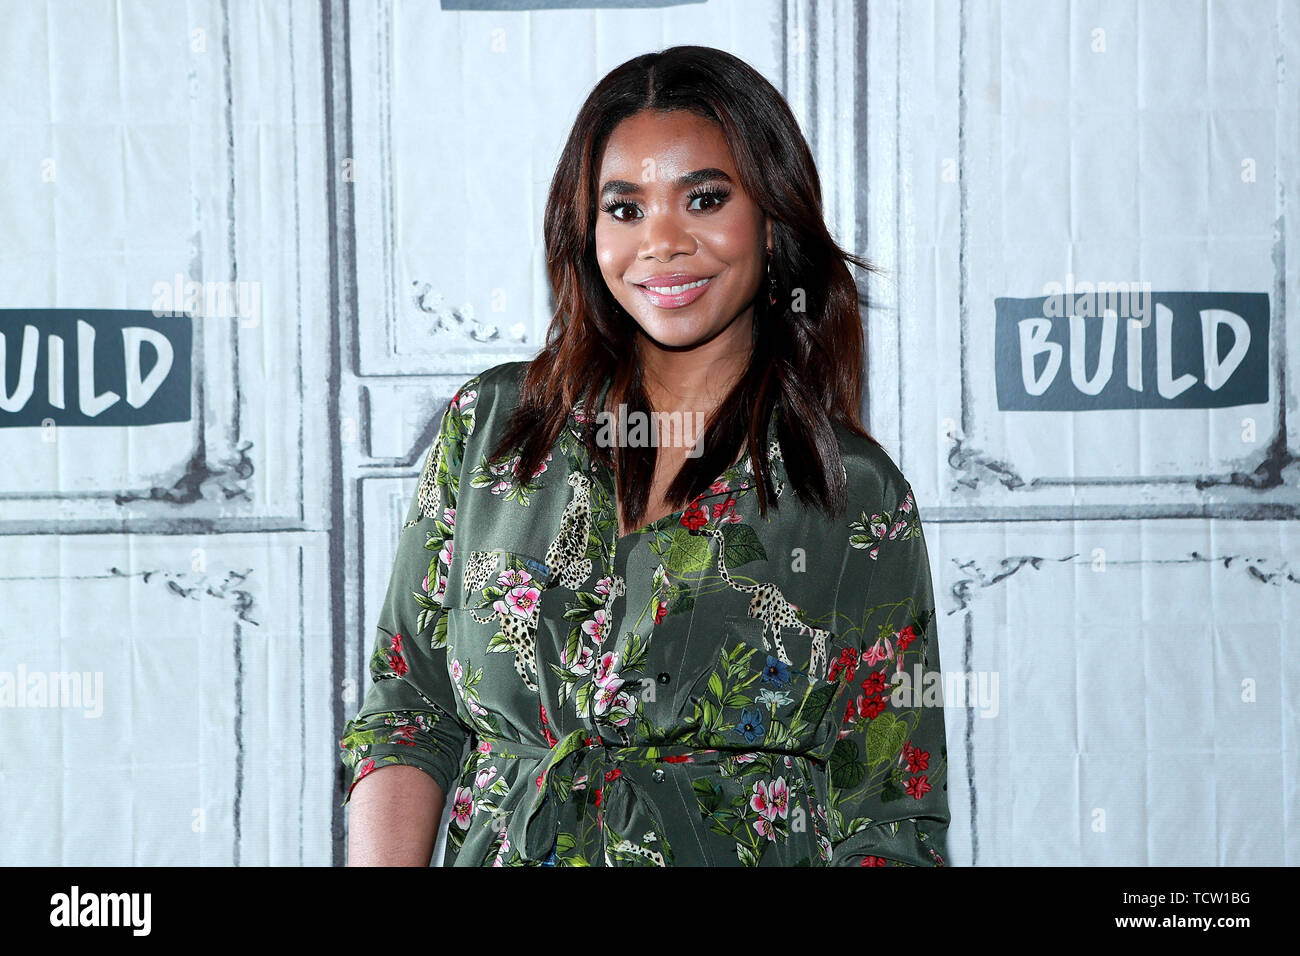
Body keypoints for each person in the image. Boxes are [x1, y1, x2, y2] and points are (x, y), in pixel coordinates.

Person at [339, 44, 950, 867]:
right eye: (624, 209)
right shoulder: (492, 429)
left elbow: (890, 815)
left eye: (703, 198)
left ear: (773, 221)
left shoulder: (854, 495)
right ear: (586, 232)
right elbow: (408, 709)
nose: (661, 241)